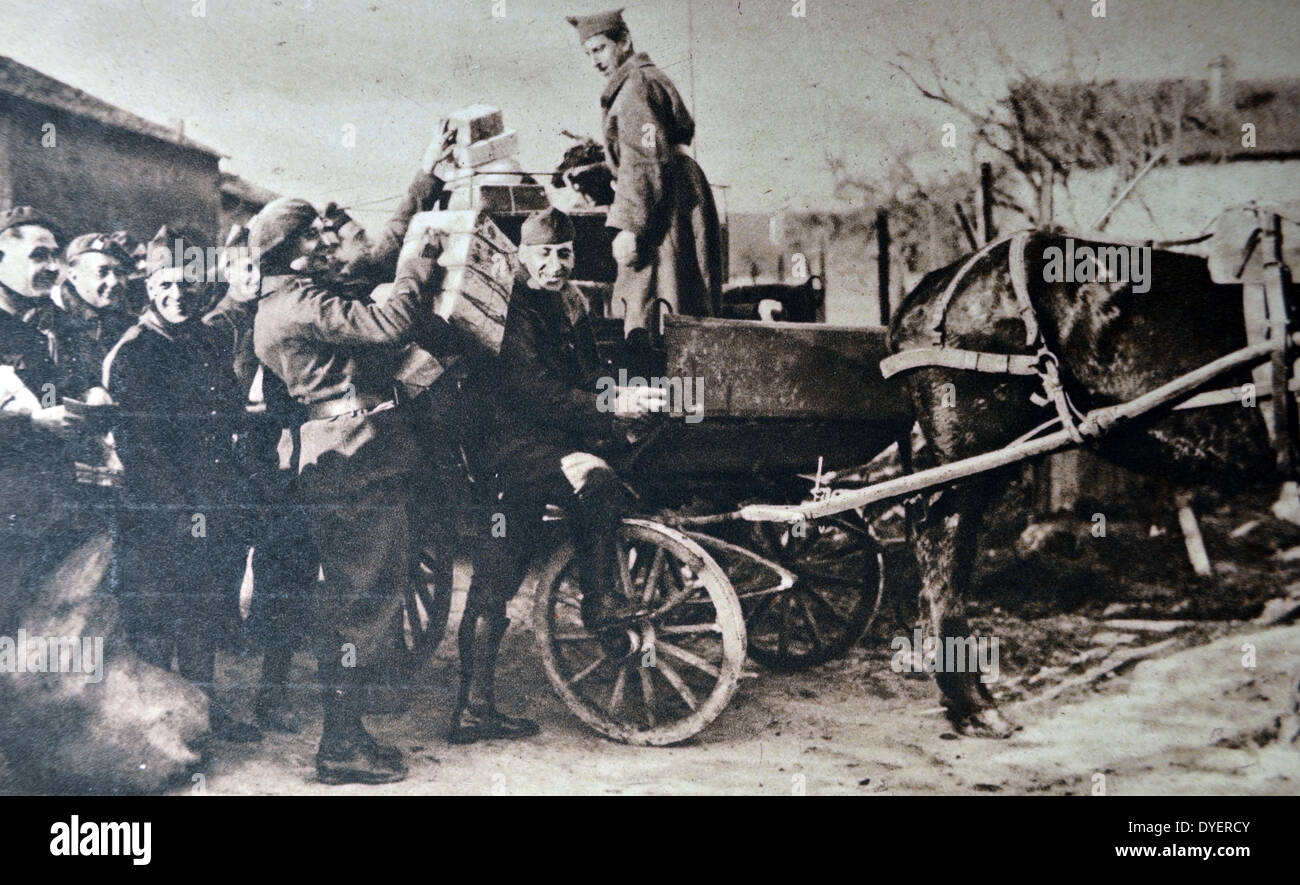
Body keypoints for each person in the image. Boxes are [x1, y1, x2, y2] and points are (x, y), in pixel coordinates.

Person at [251, 194, 459, 785]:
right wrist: (419, 264)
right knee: (361, 606)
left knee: (362, 600)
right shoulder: (301, 303)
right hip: (354, 461)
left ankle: (350, 734)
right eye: (312, 236)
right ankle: (339, 746)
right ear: (288, 250)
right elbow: (389, 323)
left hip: (348, 455)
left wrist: (424, 187)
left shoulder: (286, 298)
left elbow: (369, 264)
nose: (325, 243)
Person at [453, 207, 664, 745]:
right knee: (499, 574)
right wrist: (610, 405)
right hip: (506, 451)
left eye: (564, 254)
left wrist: (619, 395)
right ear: (522, 256)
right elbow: (534, 392)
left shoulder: (569, 302)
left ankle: (597, 597)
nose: (555, 265)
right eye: (543, 255)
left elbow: (586, 374)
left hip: (548, 442)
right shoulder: (509, 308)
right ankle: (599, 604)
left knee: (615, 472)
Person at [101, 225, 262, 744]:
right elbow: (142, 451)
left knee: (202, 611)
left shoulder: (208, 340)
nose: (177, 294)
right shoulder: (135, 353)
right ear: (149, 287)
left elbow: (227, 412)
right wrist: (184, 515)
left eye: (188, 283)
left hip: (209, 501)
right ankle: (157, 728)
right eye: (165, 284)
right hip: (158, 509)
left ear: (203, 285)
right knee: (156, 619)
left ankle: (202, 711)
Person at [567, 7, 723, 371]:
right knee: (679, 297)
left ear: (624, 41)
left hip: (661, 208)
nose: (595, 61)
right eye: (588, 53)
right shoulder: (641, 80)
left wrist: (629, 228)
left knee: (654, 306)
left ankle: (659, 393)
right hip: (672, 194)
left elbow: (643, 159)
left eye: (600, 49)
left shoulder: (635, 86)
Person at [204, 223, 315, 732]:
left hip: (279, 461)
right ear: (227, 270)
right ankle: (208, 701)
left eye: (260, 268)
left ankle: (273, 695)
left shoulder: (281, 313)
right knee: (218, 576)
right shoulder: (216, 325)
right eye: (243, 268)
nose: (253, 277)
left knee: (286, 574)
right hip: (230, 467)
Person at [48, 233, 134, 401]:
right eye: (102, 272)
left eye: (119, 272)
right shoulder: (50, 322)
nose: (114, 281)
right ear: (73, 276)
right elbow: (47, 391)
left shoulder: (127, 321)